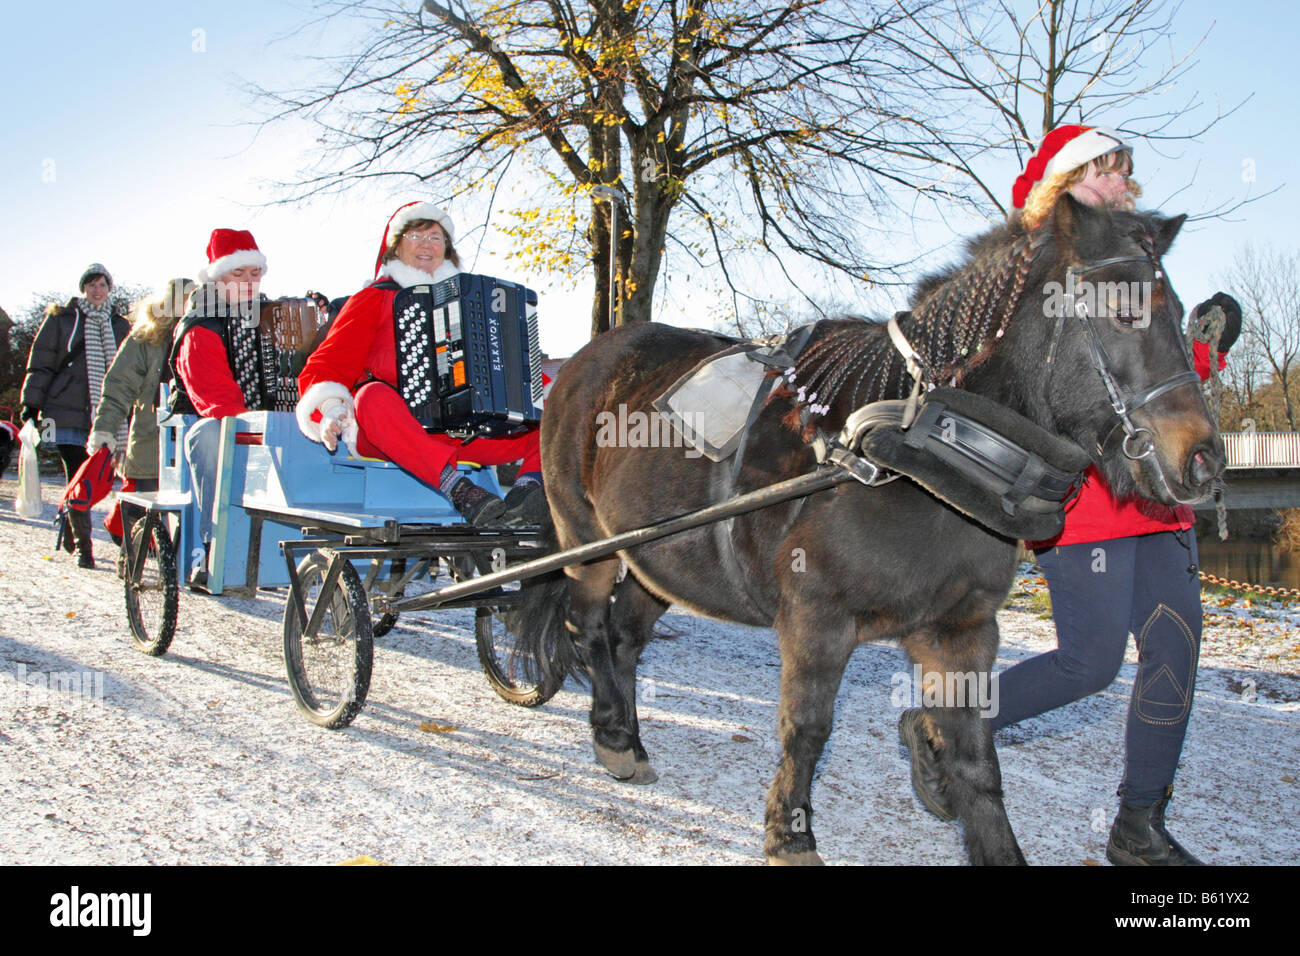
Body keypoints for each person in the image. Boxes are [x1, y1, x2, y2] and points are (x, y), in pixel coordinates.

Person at [898, 125, 1241, 866]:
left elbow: (1145, 365)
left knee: (1175, 647)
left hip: (1153, 485)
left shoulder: (1130, 258)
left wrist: (1204, 350)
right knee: (1090, 664)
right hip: (1085, 493)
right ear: (1064, 185)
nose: (1119, 185)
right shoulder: (1024, 266)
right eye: (1103, 172)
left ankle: (1139, 827)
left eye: (1125, 174)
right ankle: (944, 716)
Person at [295, 201, 545, 527]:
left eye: (436, 237)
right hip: (393, 432)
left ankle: (524, 498)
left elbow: (514, 368)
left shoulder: (473, 303)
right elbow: (326, 365)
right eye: (416, 235)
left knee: (555, 419)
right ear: (396, 246)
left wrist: (551, 395)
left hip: (463, 435)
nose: (427, 244)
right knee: (370, 397)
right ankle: (458, 489)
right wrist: (329, 407)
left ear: (447, 249)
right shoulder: (373, 298)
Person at [167, 230, 274, 588]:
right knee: (212, 437)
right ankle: (214, 543)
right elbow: (211, 396)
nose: (248, 282)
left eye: (254, 274)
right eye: (237, 274)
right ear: (217, 276)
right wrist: (253, 428)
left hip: (267, 422)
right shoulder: (201, 324)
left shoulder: (273, 316)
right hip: (212, 421)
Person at [20, 263, 129, 567]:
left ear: (109, 289)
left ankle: (71, 528)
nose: (97, 291)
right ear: (83, 288)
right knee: (78, 474)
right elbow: (41, 363)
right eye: (91, 285)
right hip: (62, 409)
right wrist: (31, 403)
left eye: (102, 285)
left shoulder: (119, 325)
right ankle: (84, 547)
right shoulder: (61, 320)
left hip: (106, 415)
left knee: (96, 478)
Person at [90, 278, 197, 494]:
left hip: (196, 447)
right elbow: (119, 386)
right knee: (147, 520)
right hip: (152, 447)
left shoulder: (206, 334)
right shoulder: (146, 339)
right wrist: (104, 430)